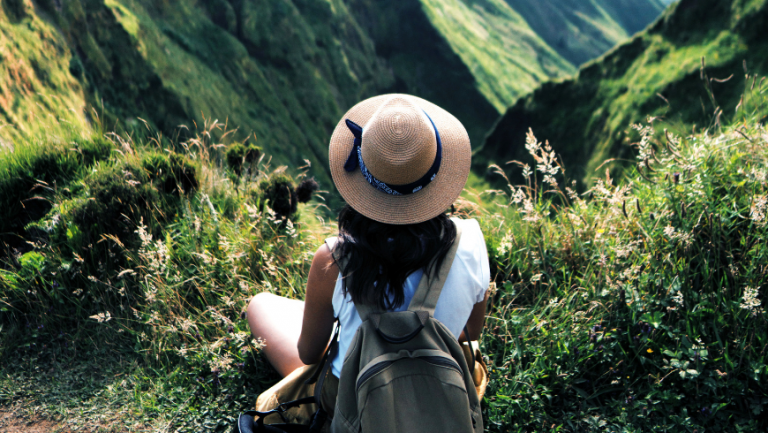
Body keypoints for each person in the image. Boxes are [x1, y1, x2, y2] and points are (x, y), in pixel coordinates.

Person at [246, 94, 490, 423]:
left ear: (363, 178)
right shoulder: (470, 240)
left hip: (355, 398)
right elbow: (469, 332)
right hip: (440, 391)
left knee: (261, 305)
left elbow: (308, 353)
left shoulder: (335, 258)